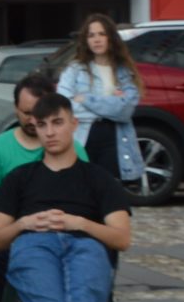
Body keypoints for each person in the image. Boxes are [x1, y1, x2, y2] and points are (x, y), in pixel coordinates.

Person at [0, 93, 133, 302]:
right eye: (42, 125)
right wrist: (24, 223)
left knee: (85, 297)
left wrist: (79, 222)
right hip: (33, 244)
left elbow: (122, 238)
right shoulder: (20, 178)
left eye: (57, 123)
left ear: (73, 124)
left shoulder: (99, 178)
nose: (50, 132)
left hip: (86, 243)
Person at [0, 72, 71, 302]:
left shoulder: (71, 147)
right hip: (10, 224)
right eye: (26, 113)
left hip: (60, 226)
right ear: (15, 109)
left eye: (39, 113)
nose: (32, 119)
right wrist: (11, 223)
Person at [58, 13, 144, 188]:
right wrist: (111, 105)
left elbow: (126, 110)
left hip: (113, 137)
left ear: (110, 37)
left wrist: (86, 99)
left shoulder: (123, 71)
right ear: (86, 40)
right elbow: (65, 106)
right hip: (82, 136)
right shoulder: (75, 69)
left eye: (101, 34)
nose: (96, 39)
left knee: (107, 190)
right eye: (91, 35)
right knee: (81, 188)